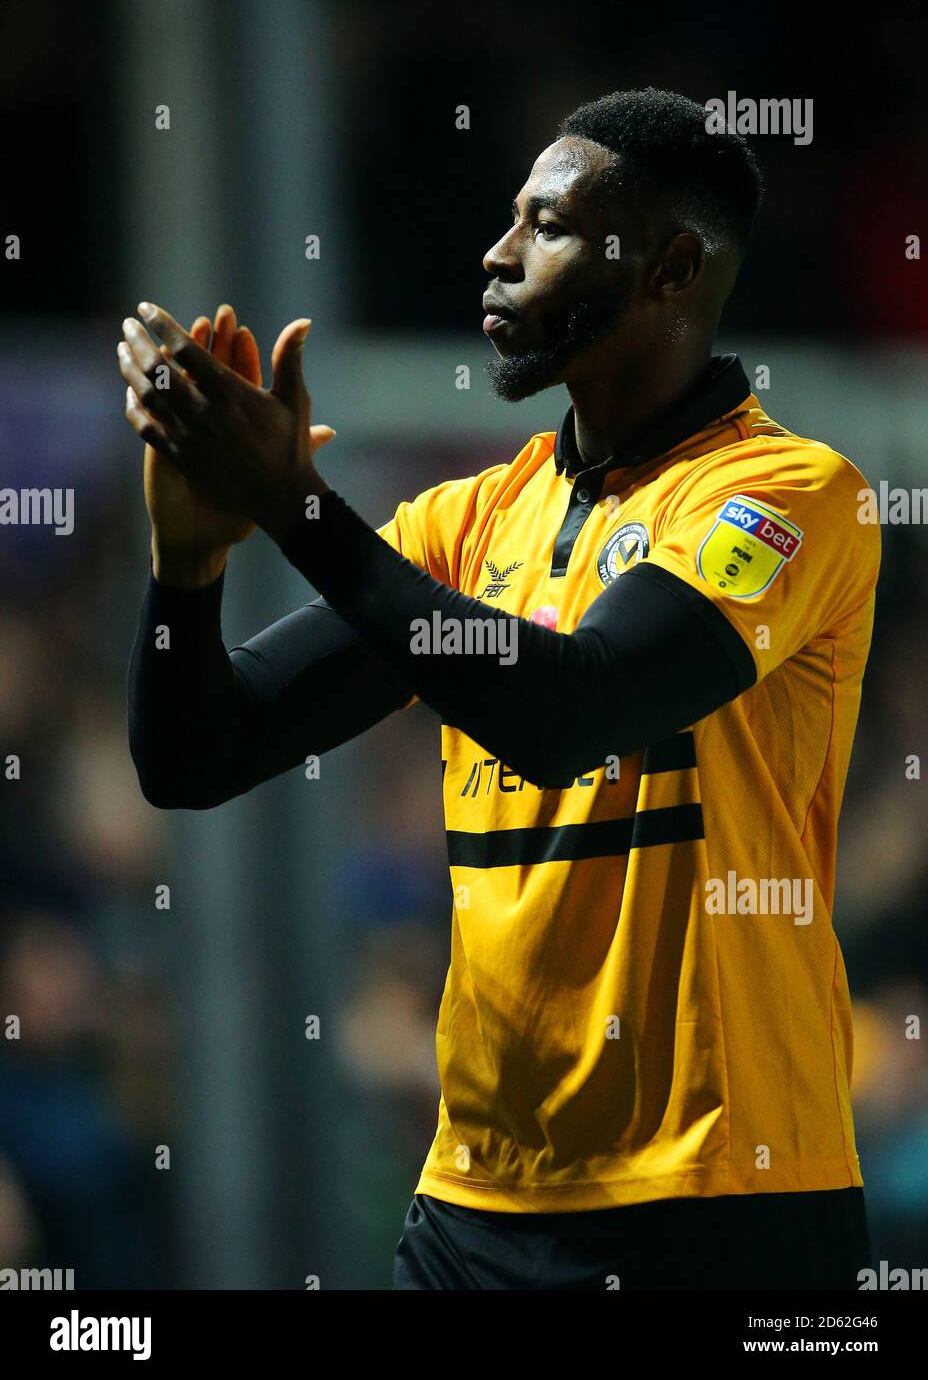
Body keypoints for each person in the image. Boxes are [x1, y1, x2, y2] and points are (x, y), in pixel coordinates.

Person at [120, 88, 879, 1289]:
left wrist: (298, 509)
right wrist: (189, 564)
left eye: (549, 224)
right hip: (475, 1204)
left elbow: (570, 711)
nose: (498, 250)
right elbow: (196, 755)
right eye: (508, 218)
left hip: (727, 1200)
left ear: (671, 267)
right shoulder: (472, 522)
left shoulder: (793, 495)